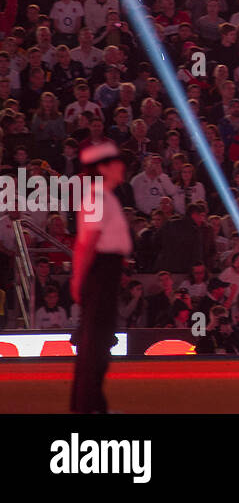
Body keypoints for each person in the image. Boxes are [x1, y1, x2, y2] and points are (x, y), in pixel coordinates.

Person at [70, 141, 133, 414]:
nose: (123, 168)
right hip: (100, 272)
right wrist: (79, 279)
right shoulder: (97, 197)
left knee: (98, 342)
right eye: (117, 163)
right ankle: (88, 405)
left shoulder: (102, 196)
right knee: (96, 343)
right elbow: (88, 242)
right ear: (104, 168)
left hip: (104, 271)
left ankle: (91, 403)